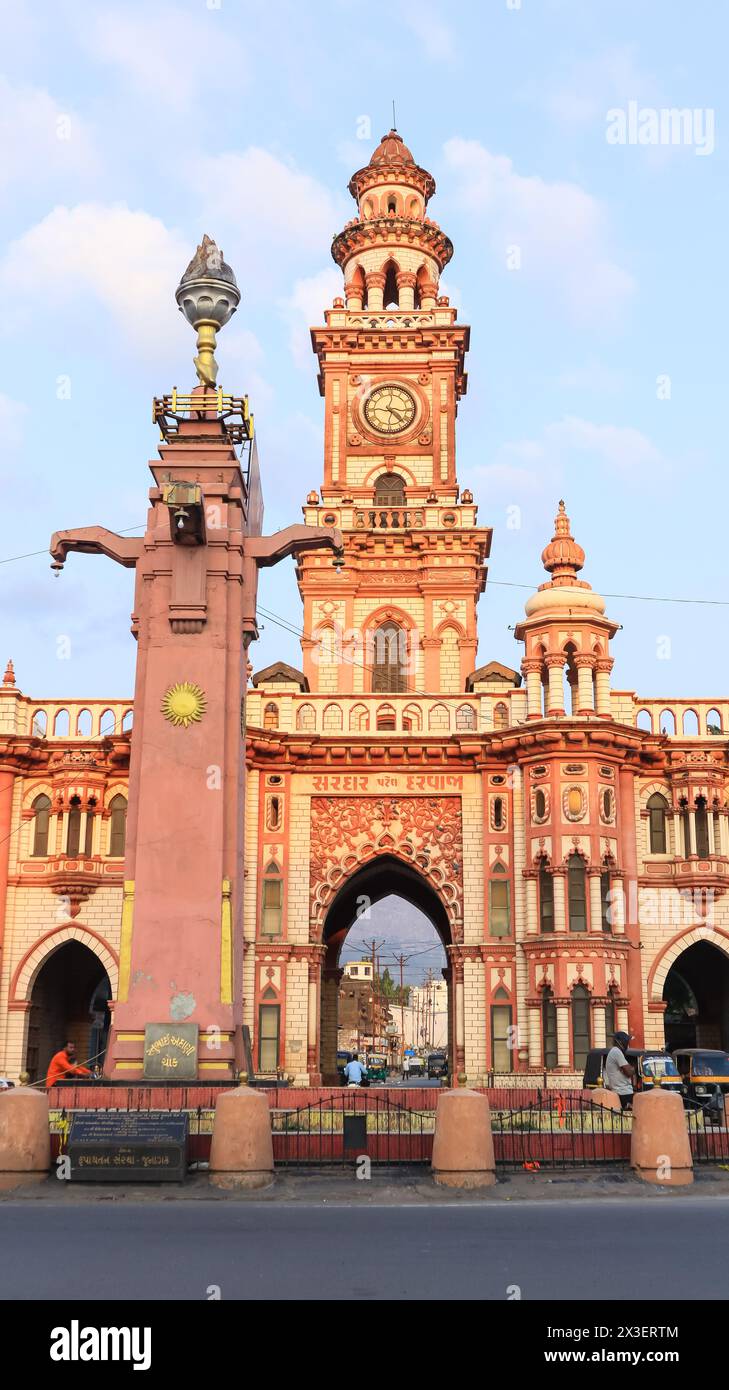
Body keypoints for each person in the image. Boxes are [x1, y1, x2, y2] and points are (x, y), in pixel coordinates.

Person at [603, 1030, 634, 1110]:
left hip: (621, 1091)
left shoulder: (615, 1052)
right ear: (620, 1042)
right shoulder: (616, 1051)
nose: (627, 1044)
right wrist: (632, 1069)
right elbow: (629, 1072)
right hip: (623, 1092)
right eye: (626, 1041)